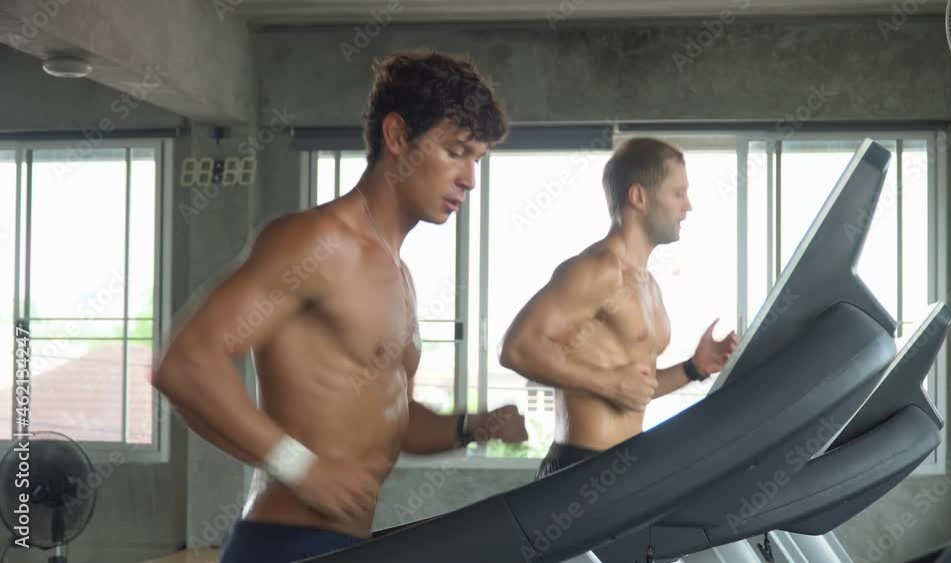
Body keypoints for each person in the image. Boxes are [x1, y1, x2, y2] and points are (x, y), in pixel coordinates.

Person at [153, 50, 528, 563]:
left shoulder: (400, 275)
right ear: (397, 137)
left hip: (345, 545)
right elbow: (185, 363)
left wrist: (470, 427)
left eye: (477, 159)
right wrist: (300, 467)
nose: (470, 179)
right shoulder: (319, 243)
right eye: (456, 151)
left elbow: (389, 418)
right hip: (283, 545)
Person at [499, 137, 738, 481]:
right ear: (638, 197)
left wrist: (693, 368)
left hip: (624, 467)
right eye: (678, 193)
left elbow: (632, 388)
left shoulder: (648, 283)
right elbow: (516, 349)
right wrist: (610, 383)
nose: (688, 206)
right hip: (579, 469)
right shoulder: (597, 269)